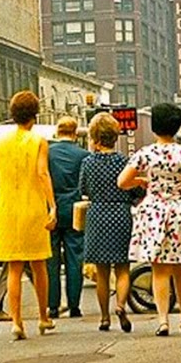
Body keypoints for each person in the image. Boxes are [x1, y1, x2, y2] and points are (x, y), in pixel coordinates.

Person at [118, 103, 181, 337]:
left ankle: (163, 320)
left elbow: (122, 182)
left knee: (159, 270)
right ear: (177, 126)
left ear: (155, 126)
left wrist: (141, 181)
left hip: (154, 213)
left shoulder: (145, 153)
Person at [0, 90, 57, 340]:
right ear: (34, 115)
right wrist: (52, 205)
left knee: (13, 267)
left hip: (8, 210)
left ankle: (17, 322)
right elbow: (43, 174)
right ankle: (44, 318)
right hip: (33, 208)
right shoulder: (38, 141)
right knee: (39, 265)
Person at [80, 112, 133, 332]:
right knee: (123, 268)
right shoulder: (124, 161)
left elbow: (83, 189)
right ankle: (121, 305)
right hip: (121, 214)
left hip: (98, 214)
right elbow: (134, 188)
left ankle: (104, 317)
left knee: (101, 272)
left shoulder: (88, 162)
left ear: (94, 137)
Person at [47, 115, 89, 319]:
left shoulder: (47, 153)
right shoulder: (83, 155)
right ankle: (74, 305)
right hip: (75, 211)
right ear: (75, 133)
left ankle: (52, 305)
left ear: (57, 132)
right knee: (75, 258)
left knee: (51, 259)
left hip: (51, 210)